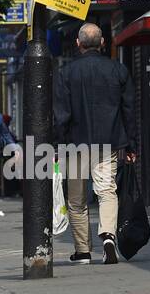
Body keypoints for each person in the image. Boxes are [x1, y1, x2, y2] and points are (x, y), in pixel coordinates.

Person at [55, 22, 136, 264]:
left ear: (78, 44)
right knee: (107, 190)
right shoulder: (118, 70)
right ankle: (109, 237)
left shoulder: (67, 73)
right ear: (103, 43)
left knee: (77, 199)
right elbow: (129, 110)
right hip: (108, 141)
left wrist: (59, 145)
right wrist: (129, 144)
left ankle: (82, 251)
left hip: (75, 144)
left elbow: (61, 113)